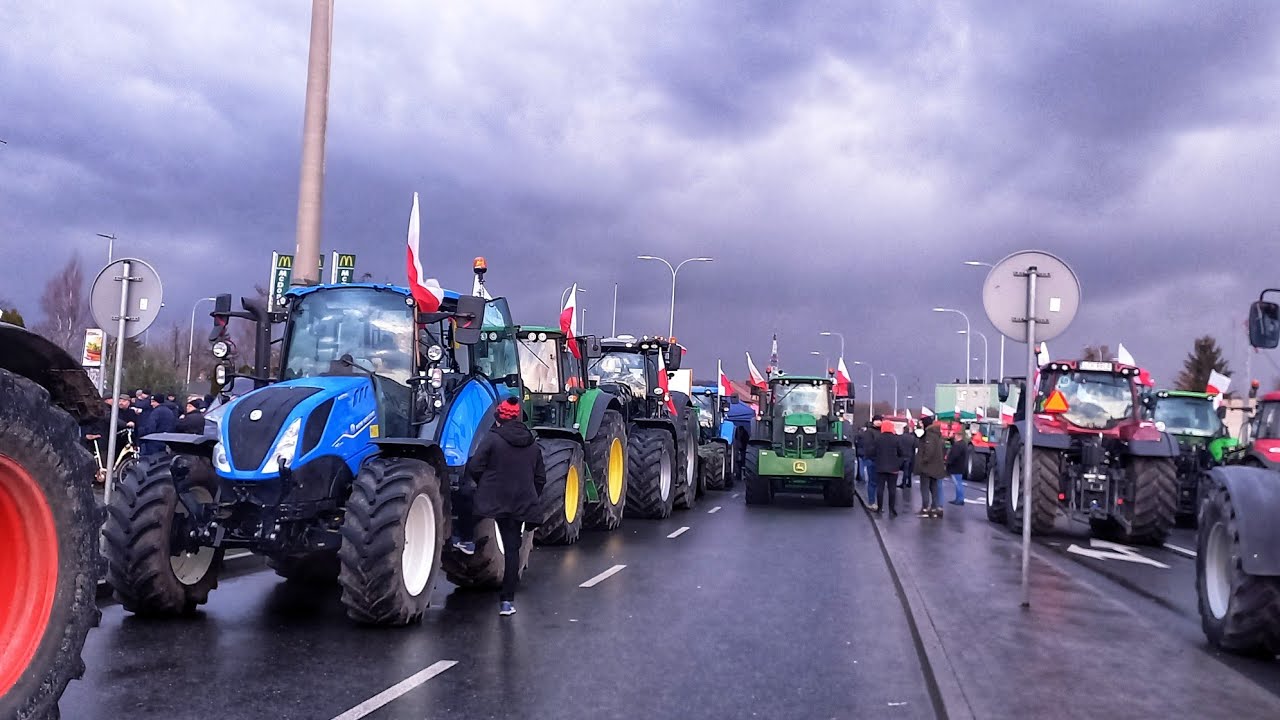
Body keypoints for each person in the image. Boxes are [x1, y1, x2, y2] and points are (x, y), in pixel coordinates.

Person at [464, 397, 545, 616]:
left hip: (495, 499)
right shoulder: (533, 445)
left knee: (468, 500)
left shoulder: (492, 439)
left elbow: (474, 466)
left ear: (499, 419)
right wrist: (529, 497)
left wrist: (485, 485)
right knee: (512, 551)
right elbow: (540, 478)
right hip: (520, 503)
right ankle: (506, 602)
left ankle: (468, 542)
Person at [915, 416, 947, 518]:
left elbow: (929, 450)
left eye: (921, 423)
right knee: (934, 489)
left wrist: (922, 461)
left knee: (924, 488)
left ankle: (925, 509)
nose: (920, 425)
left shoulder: (928, 435)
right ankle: (934, 509)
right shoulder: (938, 436)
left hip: (927, 467)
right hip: (936, 467)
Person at [872, 419, 903, 516]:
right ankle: (891, 509)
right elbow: (901, 453)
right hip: (893, 468)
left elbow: (873, 452)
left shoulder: (878, 438)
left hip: (880, 467)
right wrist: (898, 463)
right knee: (892, 489)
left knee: (880, 488)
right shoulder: (896, 439)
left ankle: (880, 508)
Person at [945, 430, 971, 506]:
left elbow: (954, 455)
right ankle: (959, 499)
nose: (954, 437)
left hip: (956, 467)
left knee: (958, 484)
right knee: (958, 483)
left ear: (958, 436)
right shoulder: (963, 444)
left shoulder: (958, 445)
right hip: (960, 466)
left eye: (955, 435)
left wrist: (948, 462)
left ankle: (960, 499)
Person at [897, 424, 918, 489]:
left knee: (902, 470)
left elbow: (897, 446)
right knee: (908, 470)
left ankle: (903, 483)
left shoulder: (900, 437)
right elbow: (916, 446)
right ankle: (909, 483)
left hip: (902, 456)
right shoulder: (913, 438)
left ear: (903, 430)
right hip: (910, 456)